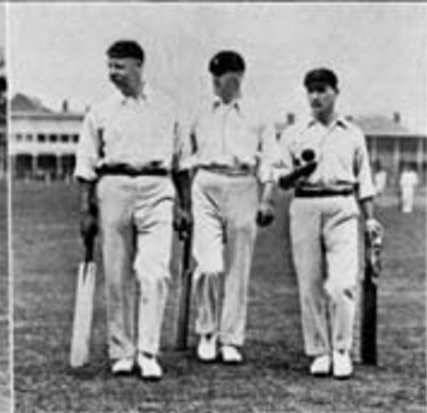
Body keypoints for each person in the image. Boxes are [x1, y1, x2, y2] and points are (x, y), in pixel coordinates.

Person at [74, 39, 190, 381]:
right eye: (109, 66)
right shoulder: (100, 110)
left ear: (139, 66)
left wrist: (185, 206)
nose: (113, 73)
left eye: (119, 66)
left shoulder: (167, 107)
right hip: (113, 188)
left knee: (154, 272)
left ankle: (148, 351)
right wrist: (86, 209)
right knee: (117, 275)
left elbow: (182, 162)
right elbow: (86, 163)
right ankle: (122, 351)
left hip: (158, 188)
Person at [271, 67, 382, 380]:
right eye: (311, 91)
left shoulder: (352, 132)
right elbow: (280, 178)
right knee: (309, 282)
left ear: (336, 92)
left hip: (343, 205)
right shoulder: (294, 133)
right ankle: (319, 351)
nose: (316, 97)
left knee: (342, 282)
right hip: (305, 204)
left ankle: (342, 349)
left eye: (322, 90)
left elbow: (365, 180)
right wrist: (298, 173)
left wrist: (371, 220)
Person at [184, 50, 277, 364]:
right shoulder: (199, 111)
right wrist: (183, 204)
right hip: (206, 184)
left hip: (243, 186)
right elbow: (186, 157)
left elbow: (269, 160)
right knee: (209, 265)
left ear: (236, 78)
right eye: (212, 77)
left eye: (219, 77)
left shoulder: (259, 114)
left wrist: (266, 199)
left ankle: (231, 339)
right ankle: (207, 331)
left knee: (238, 269)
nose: (214, 83)